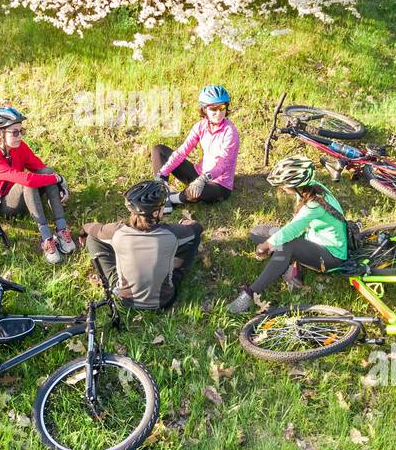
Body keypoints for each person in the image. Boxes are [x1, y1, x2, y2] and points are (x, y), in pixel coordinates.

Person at [227, 155, 353, 314]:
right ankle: (286, 261)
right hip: (311, 239)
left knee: (287, 244)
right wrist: (272, 241)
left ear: (295, 184)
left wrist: (266, 245)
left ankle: (249, 295)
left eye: (283, 184)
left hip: (331, 256)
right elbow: (296, 225)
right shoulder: (311, 187)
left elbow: (292, 230)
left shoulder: (314, 204)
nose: (281, 188)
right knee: (257, 232)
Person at [80, 179, 203, 310]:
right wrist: (185, 222)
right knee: (193, 239)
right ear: (156, 213)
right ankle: (176, 272)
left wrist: (83, 232)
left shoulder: (117, 232)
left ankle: (114, 280)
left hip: (125, 300)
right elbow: (197, 228)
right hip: (164, 301)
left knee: (92, 239)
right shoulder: (173, 233)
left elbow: (91, 228)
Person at [0, 106, 75, 264]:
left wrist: (58, 186)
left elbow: (39, 167)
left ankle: (61, 228)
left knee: (46, 171)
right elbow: (28, 180)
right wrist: (57, 179)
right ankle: (46, 238)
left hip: (25, 190)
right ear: (0, 134)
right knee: (28, 182)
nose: (19, 136)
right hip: (6, 205)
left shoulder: (19, 147)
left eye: (21, 131)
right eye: (15, 132)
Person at [151, 84, 239, 212]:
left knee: (199, 191)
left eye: (222, 107)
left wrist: (203, 179)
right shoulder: (200, 126)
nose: (219, 113)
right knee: (159, 150)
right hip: (198, 173)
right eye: (213, 109)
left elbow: (223, 164)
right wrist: (162, 173)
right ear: (204, 110)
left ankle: (172, 199)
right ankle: (161, 192)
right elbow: (182, 152)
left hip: (218, 185)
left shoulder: (230, 132)